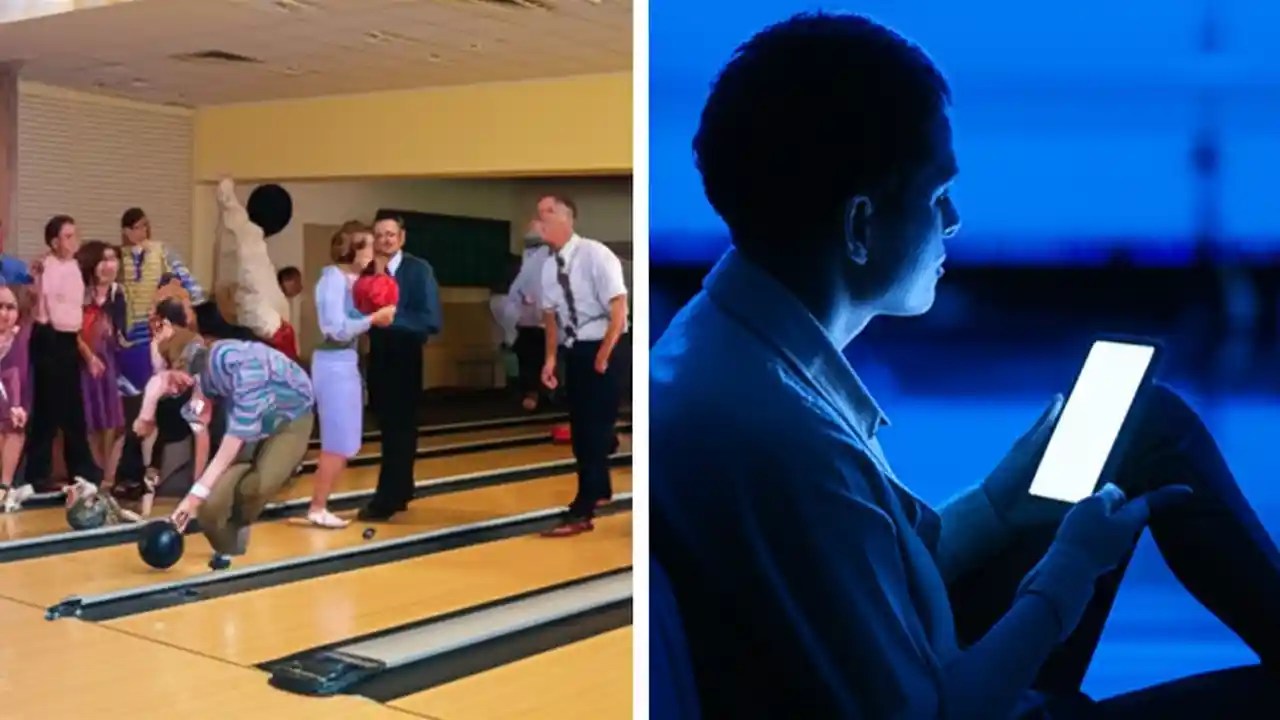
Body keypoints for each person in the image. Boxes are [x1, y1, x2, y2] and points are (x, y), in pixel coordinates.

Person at [649, 13, 1280, 719]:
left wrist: (996, 503)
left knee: (1143, 424)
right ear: (860, 226)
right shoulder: (788, 444)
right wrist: (1071, 568)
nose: (953, 219)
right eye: (936, 194)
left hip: (906, 662)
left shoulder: (723, 341)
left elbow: (874, 571)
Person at [145, 326, 314, 558]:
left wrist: (191, 499)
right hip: (251, 422)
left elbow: (230, 447)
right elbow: (201, 435)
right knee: (210, 511)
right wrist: (197, 493)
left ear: (184, 364)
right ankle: (231, 555)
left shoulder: (240, 367)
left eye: (173, 381)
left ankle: (241, 522)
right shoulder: (200, 376)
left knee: (255, 487)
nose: (174, 391)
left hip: (291, 417)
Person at [534, 196, 629, 537]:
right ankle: (600, 489)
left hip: (606, 345)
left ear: (567, 218)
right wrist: (550, 358)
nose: (540, 221)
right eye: (539, 215)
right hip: (575, 349)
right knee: (583, 427)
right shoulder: (548, 267)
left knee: (593, 431)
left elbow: (619, 309)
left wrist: (604, 355)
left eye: (548, 213)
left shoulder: (596, 254)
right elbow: (550, 318)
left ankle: (583, 509)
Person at [308, 222, 395, 528]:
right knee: (338, 441)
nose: (373, 251)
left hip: (345, 361)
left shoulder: (355, 281)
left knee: (347, 441)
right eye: (367, 246)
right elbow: (335, 327)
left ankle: (320, 504)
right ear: (351, 249)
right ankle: (317, 507)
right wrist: (373, 319)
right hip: (332, 363)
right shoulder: (332, 279)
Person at [359, 215, 441, 521]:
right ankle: (402, 489)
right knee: (386, 425)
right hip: (378, 355)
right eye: (379, 235)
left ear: (402, 237)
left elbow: (431, 320)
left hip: (406, 355)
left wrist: (390, 319)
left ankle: (387, 498)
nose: (385, 240)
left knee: (400, 428)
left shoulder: (419, 270)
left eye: (391, 234)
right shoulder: (368, 271)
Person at [27, 215, 102, 488]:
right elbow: (40, 306)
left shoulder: (75, 267)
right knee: (46, 408)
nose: (74, 241)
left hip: (69, 339)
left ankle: (82, 471)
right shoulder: (44, 266)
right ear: (54, 242)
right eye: (68, 236)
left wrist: (87, 354)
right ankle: (37, 474)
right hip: (49, 337)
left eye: (75, 235)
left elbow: (75, 312)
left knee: (73, 408)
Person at [214, 178, 299, 361]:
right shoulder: (249, 240)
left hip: (245, 330)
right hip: (258, 337)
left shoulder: (236, 232)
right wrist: (278, 332)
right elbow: (252, 294)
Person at [76, 241, 127, 491]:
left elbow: (120, 333)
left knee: (112, 420)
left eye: (113, 259)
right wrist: (89, 357)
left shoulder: (119, 294)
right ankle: (95, 474)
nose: (110, 265)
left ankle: (108, 476)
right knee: (90, 419)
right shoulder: (80, 293)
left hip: (110, 360)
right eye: (104, 260)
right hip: (84, 359)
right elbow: (72, 331)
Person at [507, 225, 554, 411]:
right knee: (529, 361)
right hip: (529, 326)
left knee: (539, 362)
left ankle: (540, 395)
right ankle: (533, 394)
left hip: (544, 327)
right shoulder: (524, 269)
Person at [0, 283, 32, 511]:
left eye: (10, 307)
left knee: (13, 426)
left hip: (13, 394)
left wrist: (16, 405)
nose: (4, 313)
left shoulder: (21, 338)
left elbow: (16, 375)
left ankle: (4, 487)